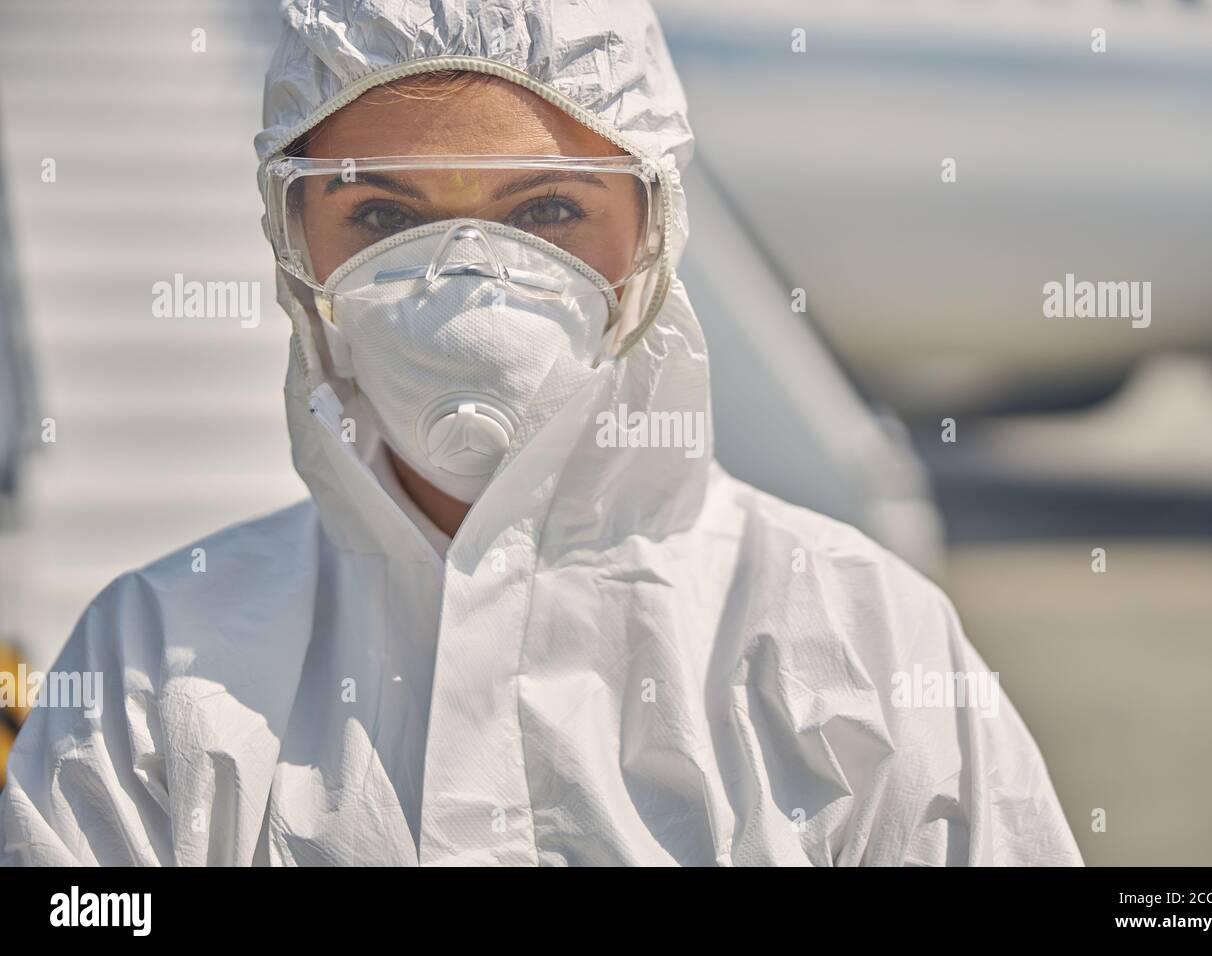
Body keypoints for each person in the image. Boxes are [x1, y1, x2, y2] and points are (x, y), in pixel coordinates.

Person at [0, 0, 1081, 866]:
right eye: (381, 216)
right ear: (297, 250)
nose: (467, 281)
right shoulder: (151, 667)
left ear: (652, 238)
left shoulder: (857, 639)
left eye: (547, 212)